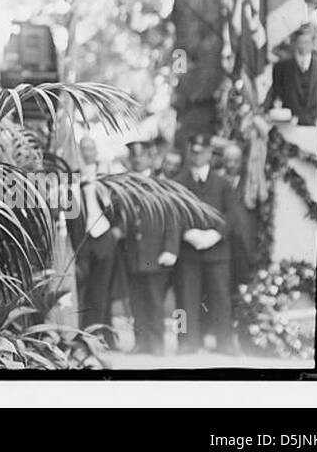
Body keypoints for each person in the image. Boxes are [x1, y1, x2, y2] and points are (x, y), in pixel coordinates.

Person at [175, 134, 237, 355]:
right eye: (194, 150)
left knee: (220, 298)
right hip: (189, 250)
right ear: (189, 152)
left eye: (202, 151)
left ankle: (225, 343)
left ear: (210, 154)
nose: (198, 155)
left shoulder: (223, 184)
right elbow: (173, 213)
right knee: (184, 299)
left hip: (217, 250)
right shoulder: (179, 182)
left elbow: (232, 215)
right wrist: (187, 233)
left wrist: (215, 234)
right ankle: (185, 342)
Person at [122, 140, 179, 355]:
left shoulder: (161, 184)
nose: (137, 159)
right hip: (133, 252)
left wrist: (170, 249)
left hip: (155, 252)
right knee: (136, 301)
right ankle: (141, 341)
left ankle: (156, 343)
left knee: (155, 300)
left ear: (150, 157)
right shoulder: (125, 184)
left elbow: (172, 217)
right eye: (133, 156)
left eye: (141, 155)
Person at [71, 136, 123, 338]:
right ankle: (81, 335)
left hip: (104, 236)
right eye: (83, 148)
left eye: (90, 148)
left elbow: (121, 204)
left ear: (96, 151)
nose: (87, 152)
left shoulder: (107, 177)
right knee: (82, 287)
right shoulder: (73, 177)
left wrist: (118, 229)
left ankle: (101, 334)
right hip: (82, 239)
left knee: (102, 288)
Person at [219, 142, 258, 294]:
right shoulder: (217, 179)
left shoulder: (250, 182)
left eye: (236, 160)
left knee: (243, 279)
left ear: (242, 161)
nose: (232, 164)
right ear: (223, 161)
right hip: (224, 237)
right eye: (228, 160)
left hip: (243, 238)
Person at [265, 26, 317, 125]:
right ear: (295, 43)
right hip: (289, 128)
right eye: (300, 42)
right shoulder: (281, 68)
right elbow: (275, 96)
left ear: (312, 43)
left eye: (306, 42)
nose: (303, 46)